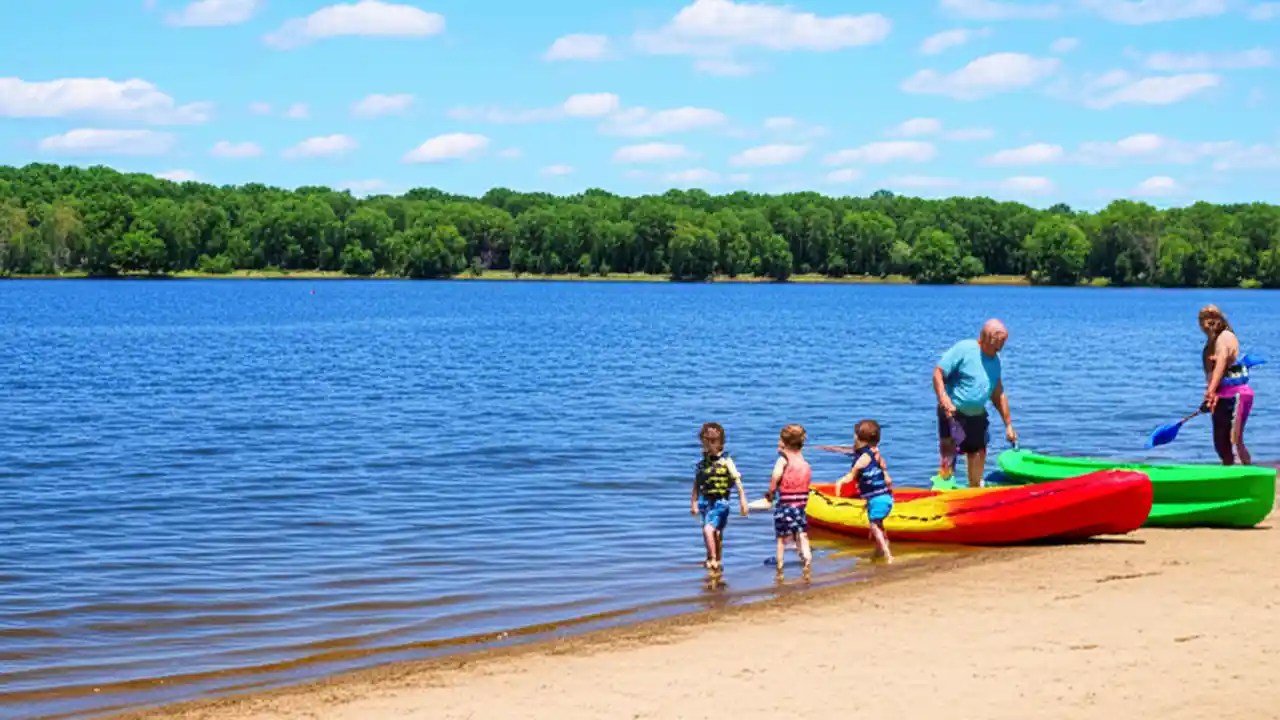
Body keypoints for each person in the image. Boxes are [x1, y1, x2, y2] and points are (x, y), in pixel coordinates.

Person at [933, 319, 1018, 488]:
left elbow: (998, 393)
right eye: (998, 345)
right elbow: (938, 373)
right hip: (953, 413)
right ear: (987, 339)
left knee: (978, 452)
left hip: (977, 415)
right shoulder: (964, 349)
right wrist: (943, 398)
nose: (1000, 349)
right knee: (948, 452)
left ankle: (974, 489)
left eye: (1002, 345)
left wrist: (1008, 425)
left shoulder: (995, 361)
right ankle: (943, 487)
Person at [690, 422, 749, 571]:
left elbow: (736, 480)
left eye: (709, 443)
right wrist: (694, 502)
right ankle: (714, 557)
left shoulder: (726, 462)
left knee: (708, 530)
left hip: (721, 502)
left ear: (718, 443)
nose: (705, 446)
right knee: (714, 532)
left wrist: (743, 500)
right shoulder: (702, 464)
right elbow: (696, 483)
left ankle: (714, 559)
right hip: (705, 502)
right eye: (704, 443)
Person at [1199, 305, 1253, 465]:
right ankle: (1230, 472)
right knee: (1220, 443)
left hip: (1237, 394)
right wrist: (1210, 396)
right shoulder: (1208, 348)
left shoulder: (1226, 337)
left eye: (1211, 317)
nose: (1207, 323)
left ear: (1220, 319)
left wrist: (1210, 390)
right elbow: (1210, 375)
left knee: (1235, 439)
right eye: (1203, 319)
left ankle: (1247, 477)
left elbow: (1222, 361)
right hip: (1220, 395)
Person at [834, 419, 894, 563]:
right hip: (885, 497)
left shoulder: (862, 459)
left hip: (877, 499)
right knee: (879, 524)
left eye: (854, 436)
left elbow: (852, 475)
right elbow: (886, 476)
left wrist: (839, 482)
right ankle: (880, 549)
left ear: (858, 438)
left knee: (874, 525)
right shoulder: (875, 454)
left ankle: (887, 554)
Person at [765, 424, 812, 573]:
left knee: (781, 537)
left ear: (784, 443)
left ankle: (780, 565)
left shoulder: (783, 460)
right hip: (801, 505)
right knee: (802, 534)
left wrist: (770, 493)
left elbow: (776, 476)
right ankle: (807, 561)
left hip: (785, 505)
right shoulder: (804, 463)